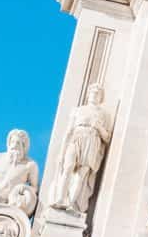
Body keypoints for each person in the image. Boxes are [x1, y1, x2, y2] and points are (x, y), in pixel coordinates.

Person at [48, 84, 114, 214]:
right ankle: (60, 198)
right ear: (88, 94)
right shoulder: (78, 110)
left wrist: (99, 128)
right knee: (68, 168)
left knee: (81, 175)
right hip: (76, 139)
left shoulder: (104, 115)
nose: (94, 95)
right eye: (93, 92)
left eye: (98, 93)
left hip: (92, 141)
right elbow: (68, 131)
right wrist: (62, 152)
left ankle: (72, 203)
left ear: (101, 97)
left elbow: (107, 138)